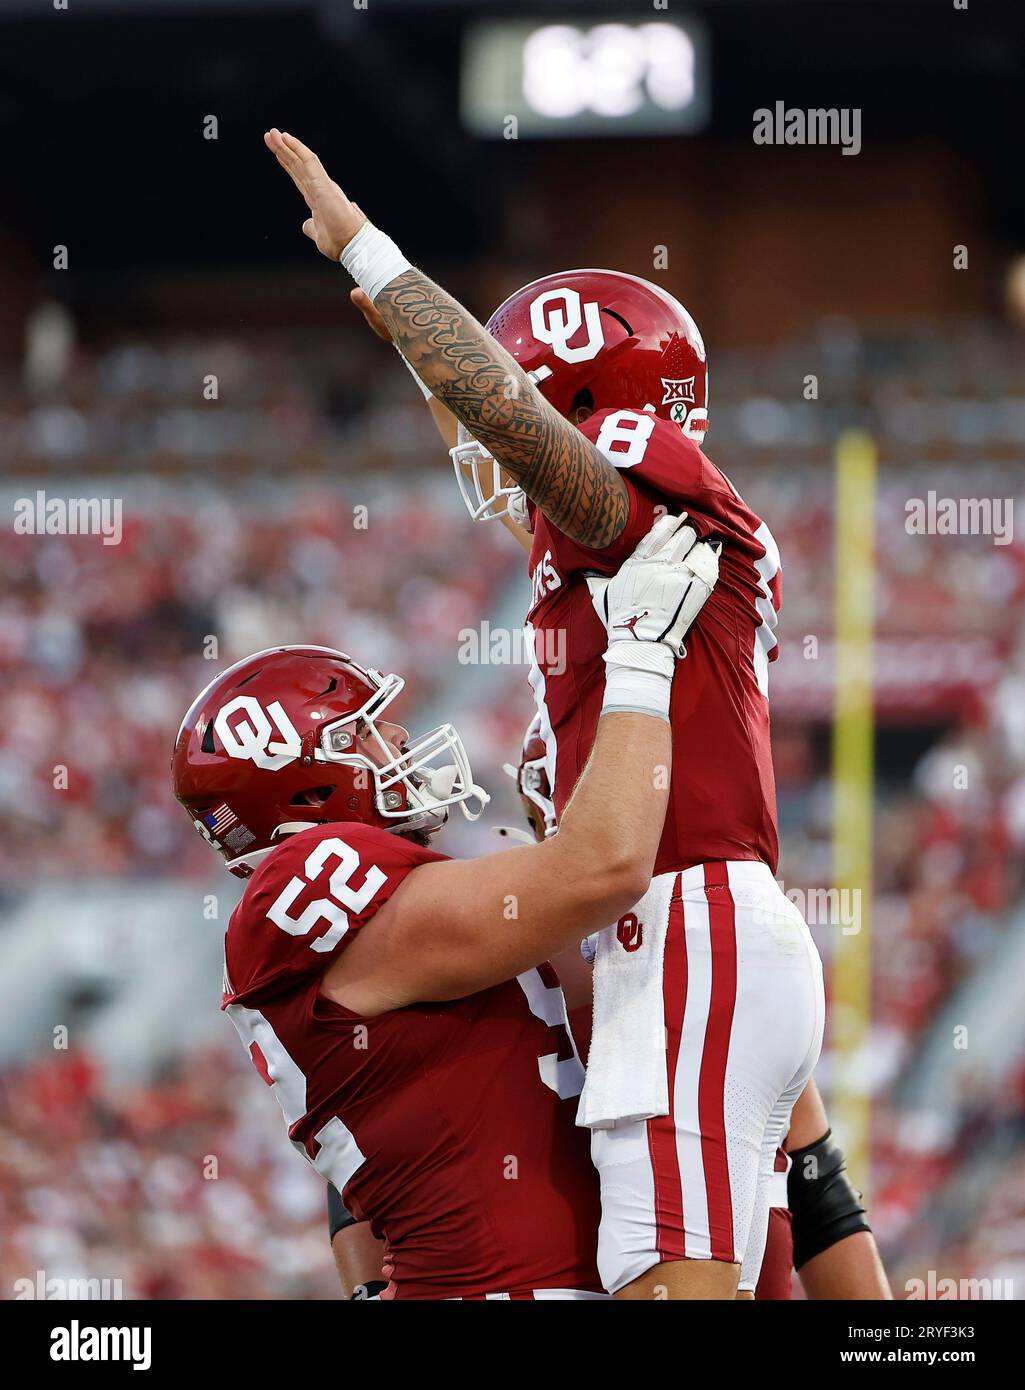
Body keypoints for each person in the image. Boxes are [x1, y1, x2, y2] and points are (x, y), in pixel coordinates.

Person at [262, 126, 823, 1299]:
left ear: (581, 408)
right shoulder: (619, 534)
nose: (477, 447)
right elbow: (483, 411)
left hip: (684, 923)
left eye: (521, 410)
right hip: (684, 935)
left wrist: (371, 252)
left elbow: (503, 413)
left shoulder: (634, 489)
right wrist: (389, 319)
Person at [172, 515, 717, 1299]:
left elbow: (372, 1128)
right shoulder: (306, 880)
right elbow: (604, 870)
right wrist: (639, 656)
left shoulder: (340, 921)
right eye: (363, 735)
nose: (396, 741)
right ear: (304, 784)